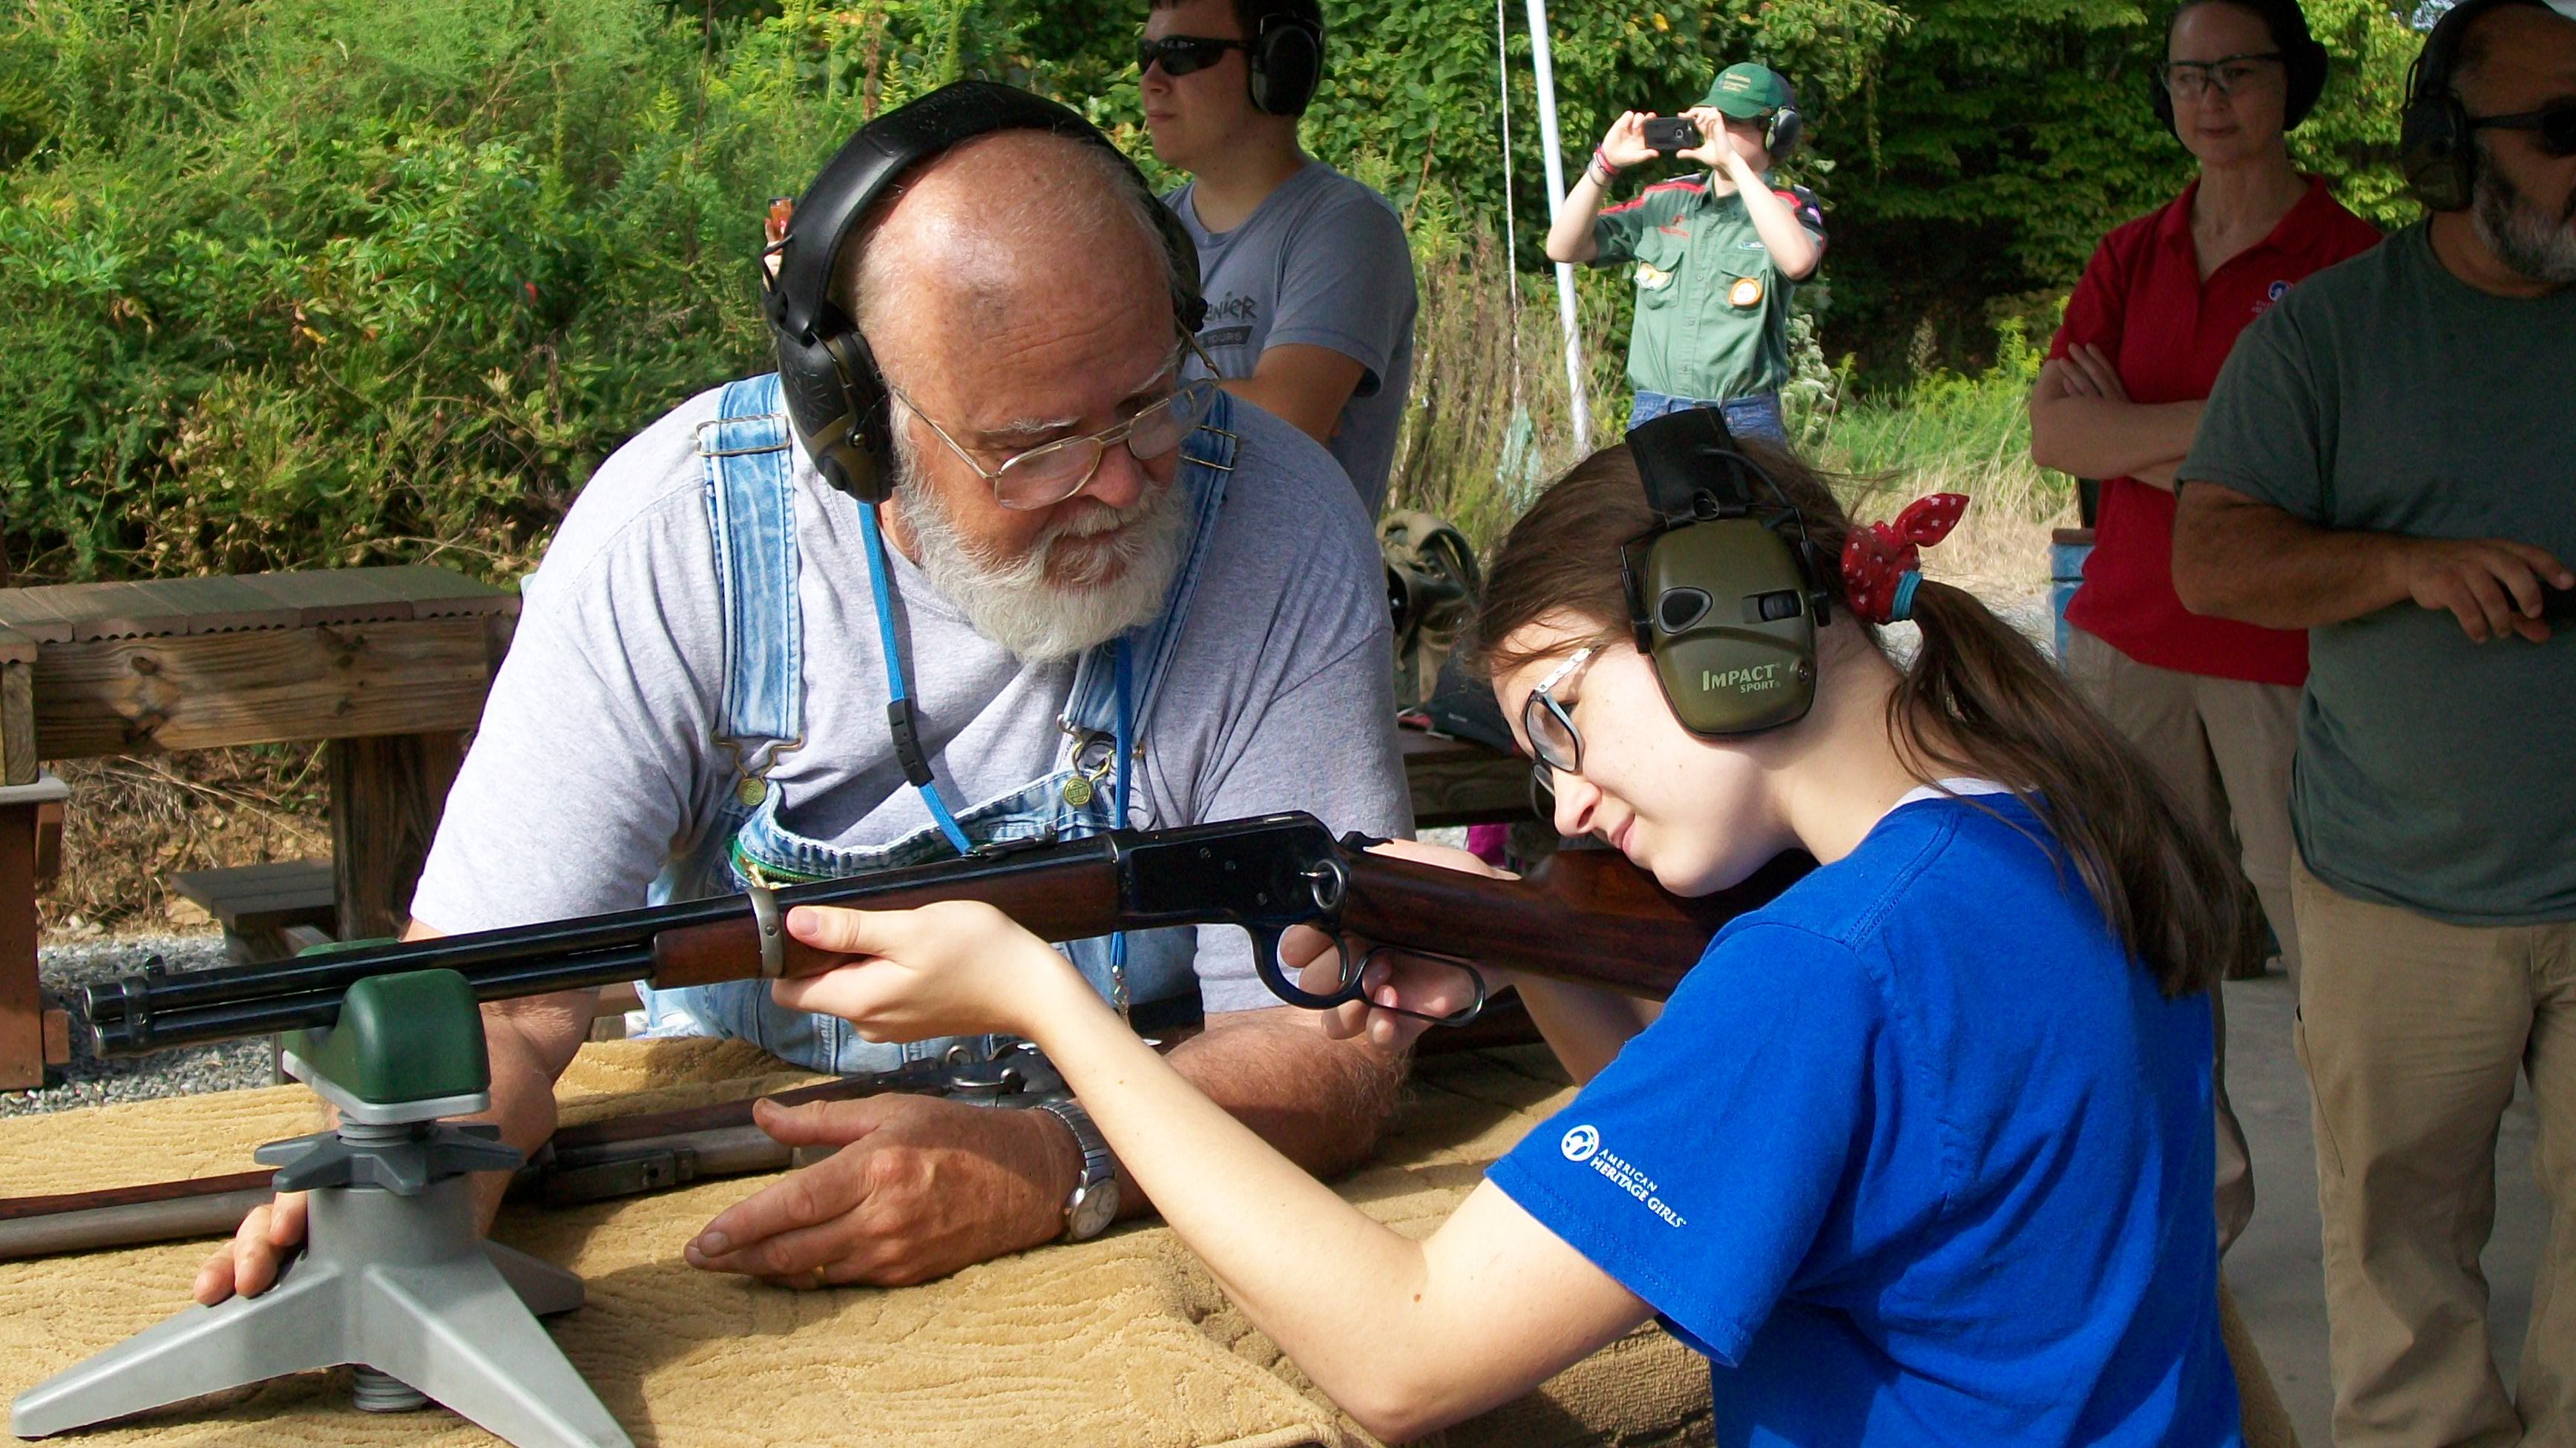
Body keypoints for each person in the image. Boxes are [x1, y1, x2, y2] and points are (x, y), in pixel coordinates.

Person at [762, 415, 2253, 1444]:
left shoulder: (1827, 966)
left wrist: (1043, 998)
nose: (1569, 801)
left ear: (1716, 625)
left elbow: (1403, 1350)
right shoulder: (2053, 834)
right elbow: (1764, 1156)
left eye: (1560, 714)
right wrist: (1536, 946)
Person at [196, 88, 1413, 1305]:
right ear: (855, 428)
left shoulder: (1279, 521)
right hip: (740, 1182)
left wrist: (1059, 1157)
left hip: (1164, 1194)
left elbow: (1317, 1038)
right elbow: (499, 1009)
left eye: (1151, 400)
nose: (1117, 482)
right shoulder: (678, 540)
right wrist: (400, 1196)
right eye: (1034, 447)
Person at [2171, 0, 2575, 1435]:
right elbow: (2208, 556)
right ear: (2446, 148)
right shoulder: (2332, 337)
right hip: (2396, 891)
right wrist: (2400, 564)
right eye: (2560, 132)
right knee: (2400, 1257)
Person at [2027, 0, 2381, 1254]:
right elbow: (2058, 436)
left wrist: (2149, 432)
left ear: (2294, 82)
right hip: (2126, 641)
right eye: (2184, 75)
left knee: (2330, 948)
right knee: (2143, 944)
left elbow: (2336, 473)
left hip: (2286, 650)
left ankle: (2370, 1219)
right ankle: (2197, 1210)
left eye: (2234, 71)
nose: (2208, 98)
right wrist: (2231, 438)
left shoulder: (2354, 259)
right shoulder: (2131, 251)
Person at [1142, 0, 1418, 518]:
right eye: (1147, 55)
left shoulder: (1348, 227)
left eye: (1182, 55)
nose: (1152, 79)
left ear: (1278, 64)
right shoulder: (1142, 232)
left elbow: (1287, 419)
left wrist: (1120, 410)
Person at [1543, 62, 1826, 442]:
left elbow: (1798, 261)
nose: (1715, 128)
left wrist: (1733, 164)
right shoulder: (1665, 199)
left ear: (1777, 133)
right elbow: (1562, 246)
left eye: (1731, 120)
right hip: (1654, 412)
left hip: (1742, 418)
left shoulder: (1789, 206)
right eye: (1713, 116)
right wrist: (1604, 166)